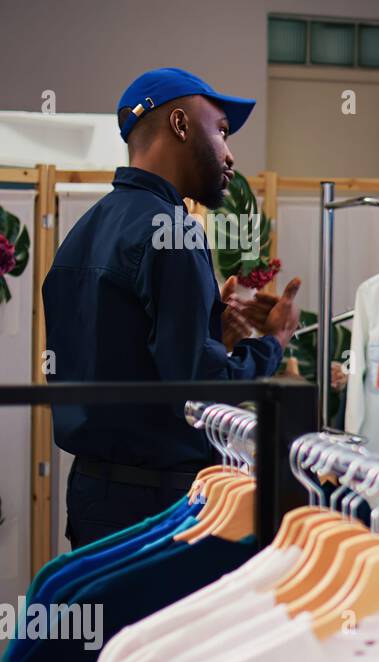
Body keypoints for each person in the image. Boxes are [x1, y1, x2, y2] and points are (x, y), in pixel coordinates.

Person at [43, 68, 301, 548]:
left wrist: (209, 327)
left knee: (114, 625)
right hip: (155, 503)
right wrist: (272, 342)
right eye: (221, 131)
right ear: (180, 124)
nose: (230, 154)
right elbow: (201, 393)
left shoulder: (82, 233)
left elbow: (129, 358)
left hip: (93, 497)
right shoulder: (173, 231)